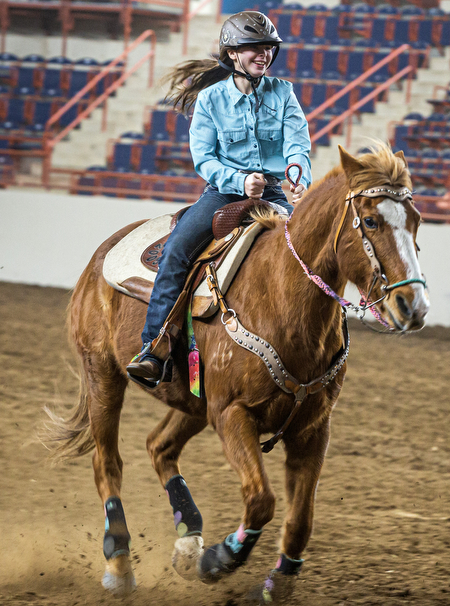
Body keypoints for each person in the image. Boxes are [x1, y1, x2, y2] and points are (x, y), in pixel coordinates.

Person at [126, 10, 312, 386]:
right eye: (253, 48)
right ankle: (154, 347)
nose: (263, 55)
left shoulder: (284, 92)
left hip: (277, 191)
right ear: (232, 54)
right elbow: (204, 159)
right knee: (178, 249)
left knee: (316, 249)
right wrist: (240, 182)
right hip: (224, 192)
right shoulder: (210, 100)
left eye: (267, 48)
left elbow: (298, 144)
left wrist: (296, 177)